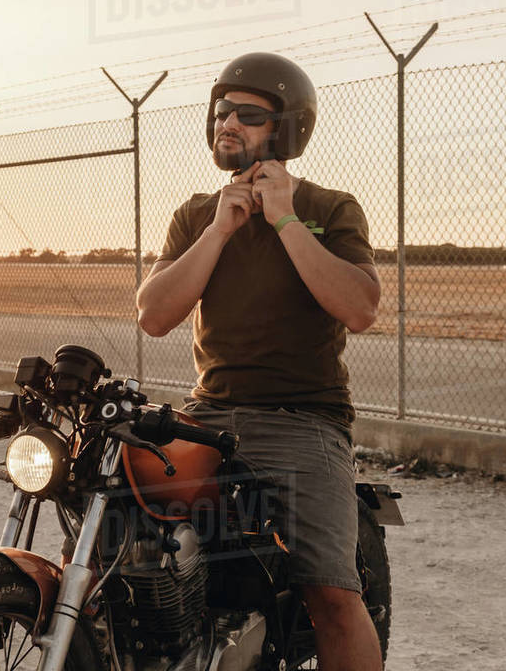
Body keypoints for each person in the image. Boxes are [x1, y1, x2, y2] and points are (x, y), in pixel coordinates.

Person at [135, 51, 383, 670]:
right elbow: (154, 314)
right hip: (206, 416)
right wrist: (218, 231)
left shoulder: (329, 209)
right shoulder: (196, 215)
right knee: (129, 546)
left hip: (303, 420)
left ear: (287, 127)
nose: (228, 123)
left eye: (248, 114)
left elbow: (360, 308)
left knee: (330, 590)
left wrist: (285, 218)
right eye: (221, 112)